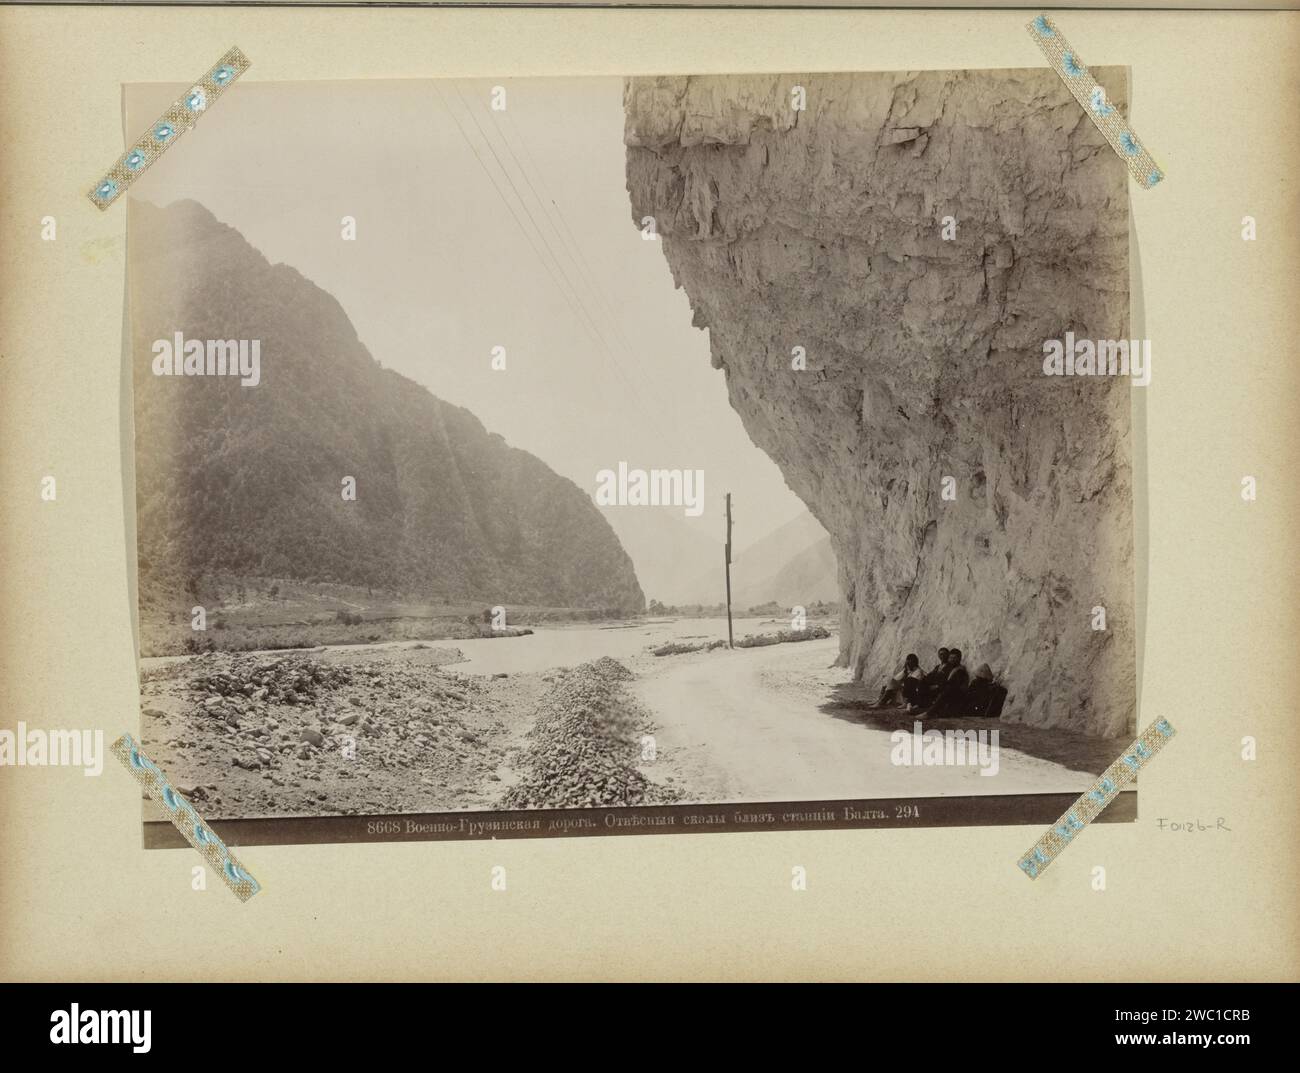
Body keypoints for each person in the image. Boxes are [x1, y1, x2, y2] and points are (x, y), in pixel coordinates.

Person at [924, 648, 969, 717]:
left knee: (947, 689)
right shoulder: (953, 669)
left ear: (959, 659)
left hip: (958, 697)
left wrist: (938, 687)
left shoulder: (960, 670)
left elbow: (953, 685)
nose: (952, 660)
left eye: (954, 658)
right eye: (950, 657)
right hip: (951, 694)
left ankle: (928, 713)